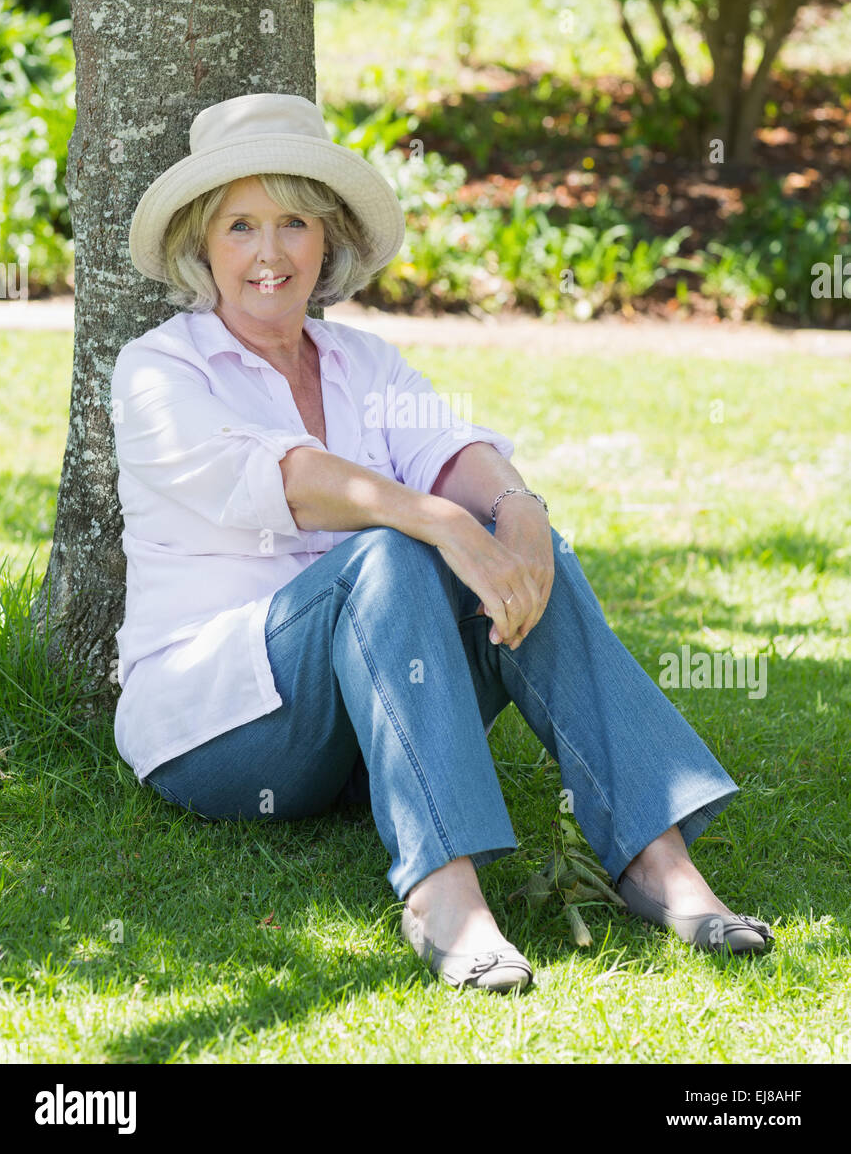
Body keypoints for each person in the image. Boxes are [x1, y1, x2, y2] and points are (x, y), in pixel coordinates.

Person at [111, 93, 774, 994]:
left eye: (294, 222)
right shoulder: (159, 370)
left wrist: (518, 511)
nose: (269, 254)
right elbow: (292, 482)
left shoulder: (362, 362)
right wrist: (438, 519)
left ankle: (657, 860)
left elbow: (452, 452)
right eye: (241, 226)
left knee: (522, 553)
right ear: (202, 243)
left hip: (360, 729)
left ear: (327, 237)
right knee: (393, 554)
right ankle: (443, 897)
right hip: (223, 726)